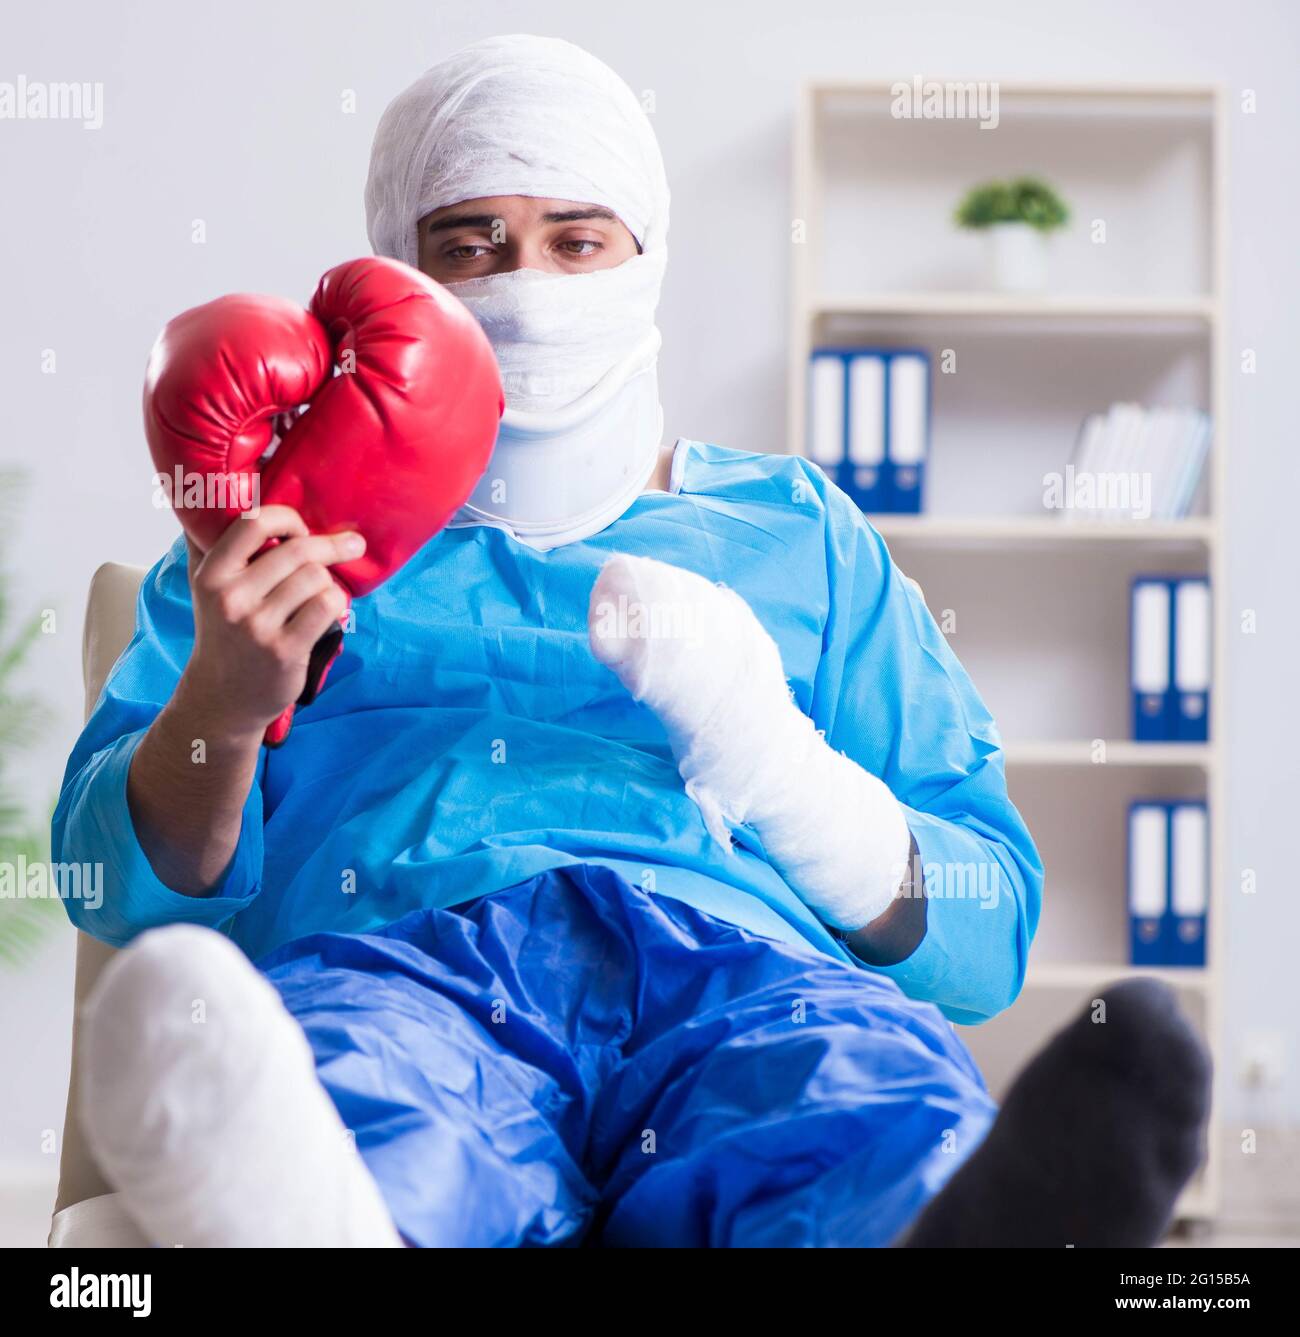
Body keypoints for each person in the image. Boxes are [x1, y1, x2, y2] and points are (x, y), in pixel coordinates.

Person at [53, 34, 1206, 1249]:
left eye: (576, 237)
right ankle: (327, 1215)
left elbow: (986, 932)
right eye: (470, 242)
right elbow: (109, 885)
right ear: (400, 274)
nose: (530, 280)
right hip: (403, 964)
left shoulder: (796, 530)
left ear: (642, 256)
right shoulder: (276, 534)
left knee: (847, 1103)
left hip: (748, 975)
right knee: (368, 1099)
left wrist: (777, 766)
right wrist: (224, 710)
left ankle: (944, 1222)